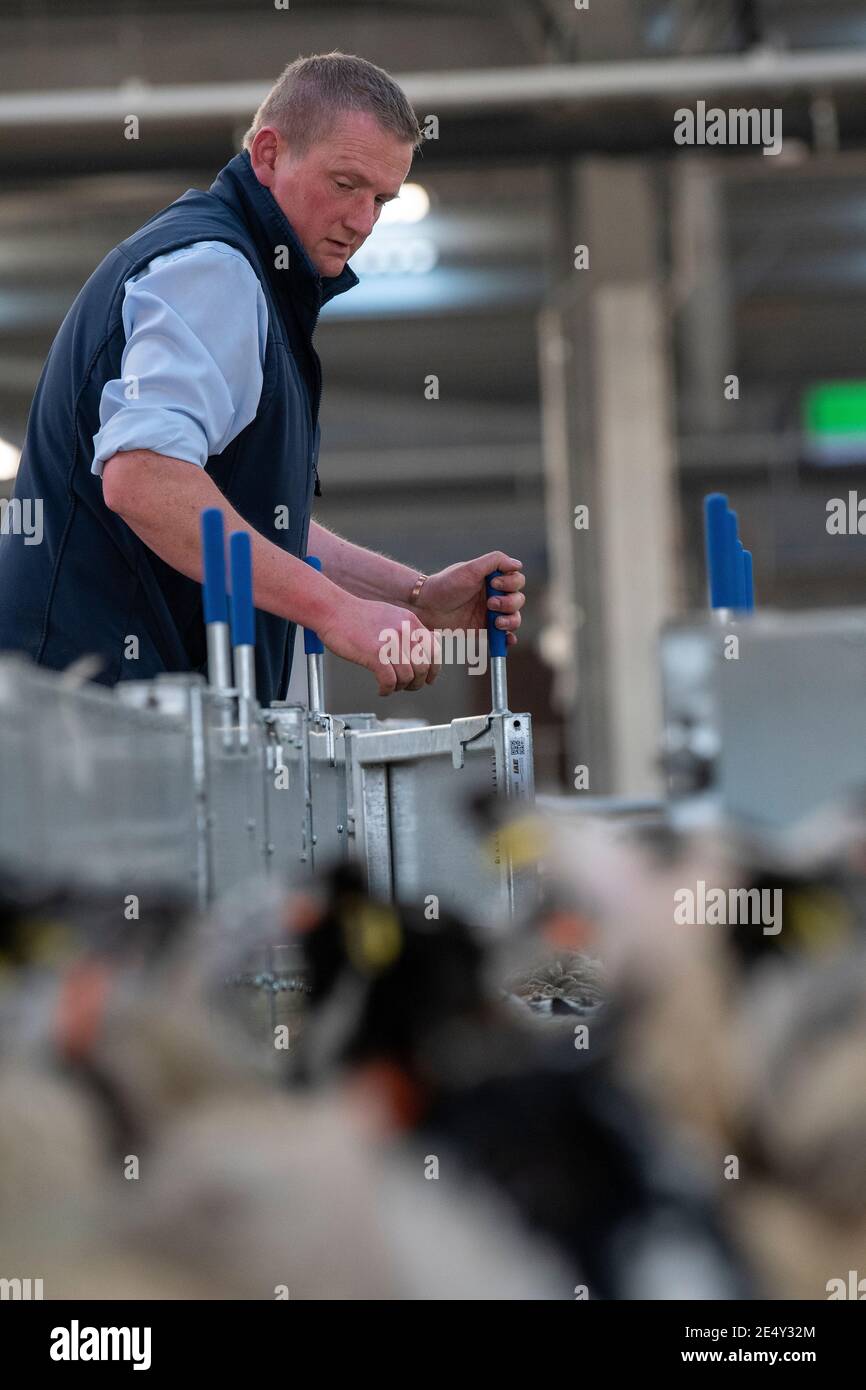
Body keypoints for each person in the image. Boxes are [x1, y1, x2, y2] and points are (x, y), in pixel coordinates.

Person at [0, 52, 525, 703]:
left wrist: (416, 596)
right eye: (345, 184)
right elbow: (144, 478)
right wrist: (334, 611)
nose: (364, 221)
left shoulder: (251, 278)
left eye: (381, 199)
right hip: (88, 722)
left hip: (115, 721)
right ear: (270, 154)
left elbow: (250, 522)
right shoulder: (213, 269)